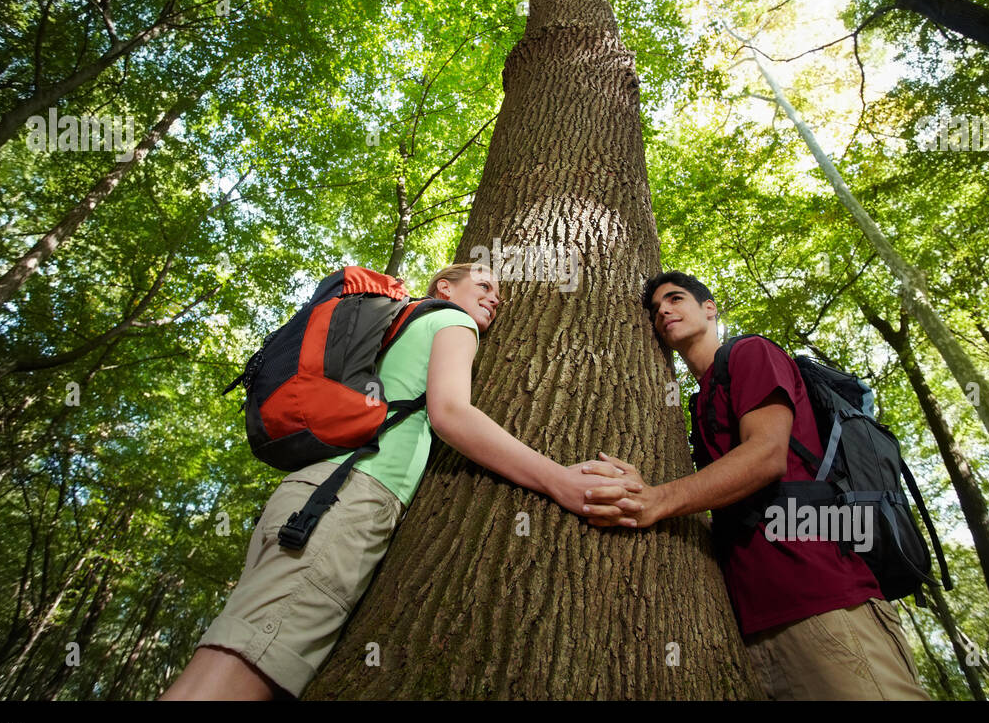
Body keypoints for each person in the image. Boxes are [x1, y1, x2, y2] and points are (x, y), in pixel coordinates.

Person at [161, 262, 637, 700]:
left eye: (500, 294)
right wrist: (558, 481)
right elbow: (451, 414)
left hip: (315, 495)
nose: (495, 298)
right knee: (243, 669)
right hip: (346, 498)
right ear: (445, 288)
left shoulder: (401, 329)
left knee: (232, 655)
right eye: (485, 285)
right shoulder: (453, 320)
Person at [592, 270, 928, 700]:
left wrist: (658, 499)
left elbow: (767, 456)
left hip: (825, 603)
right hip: (749, 632)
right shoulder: (698, 403)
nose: (663, 311)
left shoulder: (751, 353)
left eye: (675, 299)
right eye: (656, 309)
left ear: (709, 308)